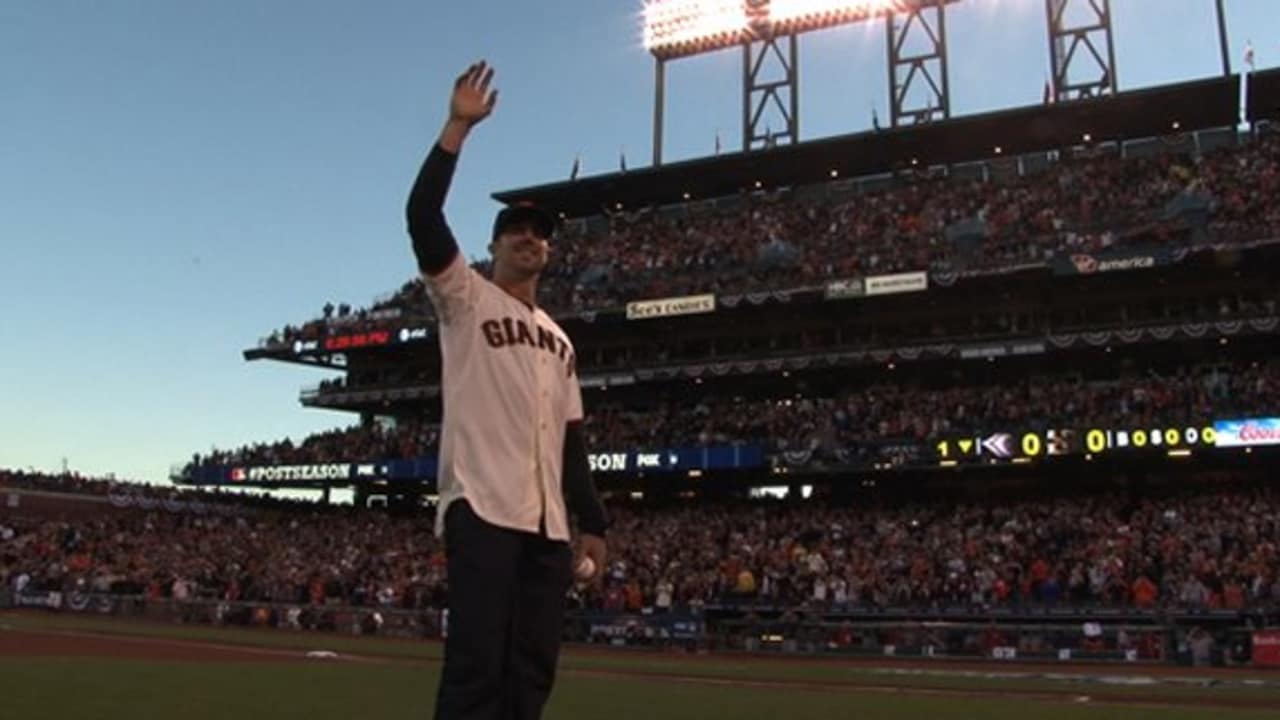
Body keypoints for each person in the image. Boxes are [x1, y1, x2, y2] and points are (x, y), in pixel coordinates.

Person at [405, 60, 609, 720]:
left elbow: (572, 441)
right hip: (484, 505)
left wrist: (595, 524)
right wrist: (457, 127)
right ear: (494, 245)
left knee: (532, 672)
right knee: (475, 669)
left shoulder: (560, 338)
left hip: (548, 524)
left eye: (541, 233)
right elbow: (423, 214)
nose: (531, 237)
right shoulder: (466, 299)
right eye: (519, 229)